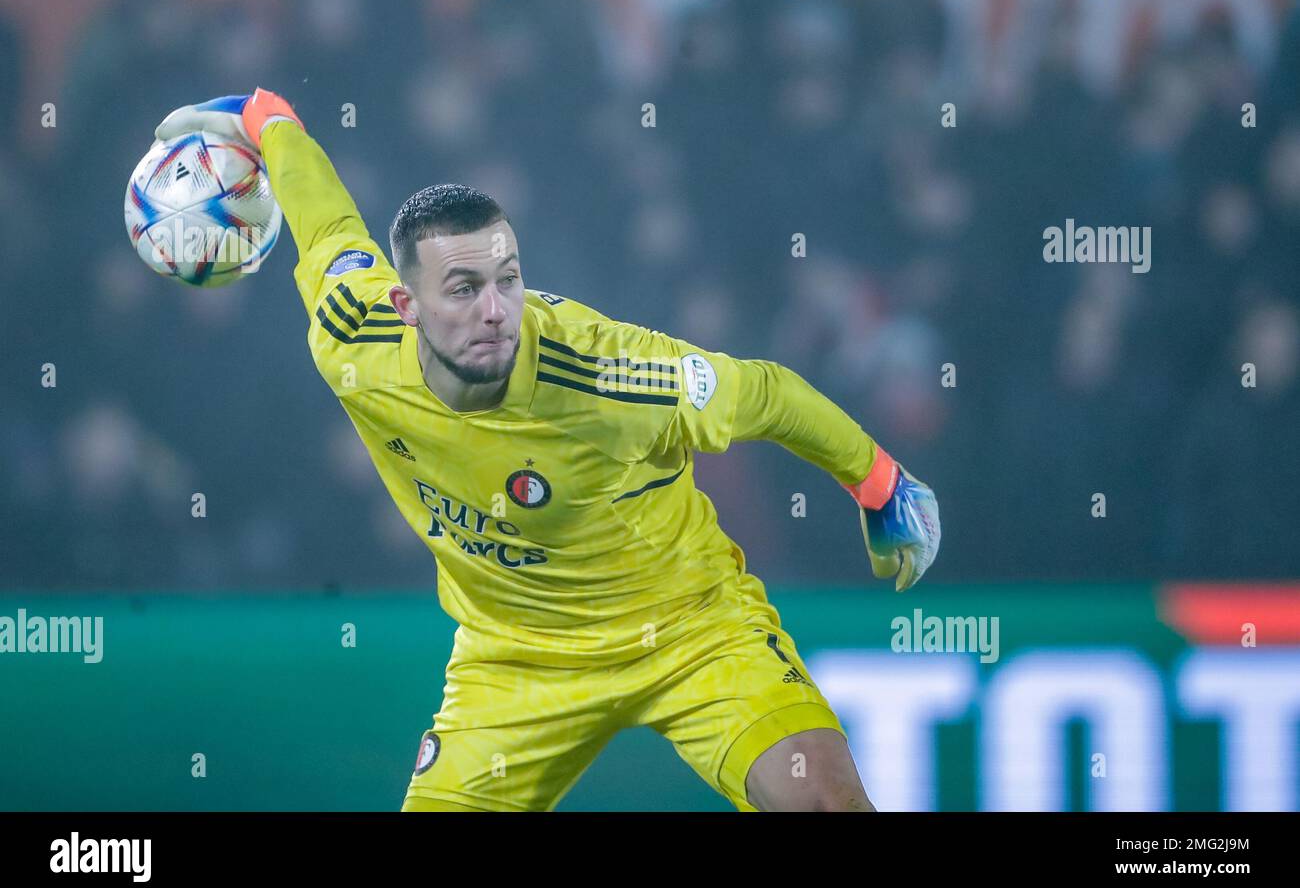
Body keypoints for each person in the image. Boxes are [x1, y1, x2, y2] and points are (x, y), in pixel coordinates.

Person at [154, 89, 941, 811]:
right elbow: (325, 226)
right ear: (406, 305)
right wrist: (268, 119)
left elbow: (763, 392)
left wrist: (880, 484)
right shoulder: (353, 340)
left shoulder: (606, 372)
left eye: (508, 280)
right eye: (463, 290)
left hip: (690, 628)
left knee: (830, 805)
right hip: (513, 660)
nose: (495, 311)